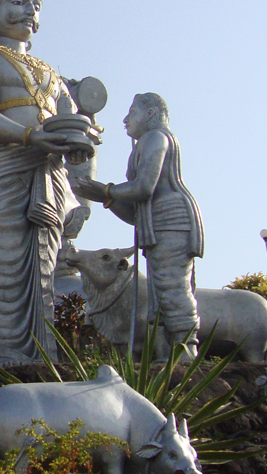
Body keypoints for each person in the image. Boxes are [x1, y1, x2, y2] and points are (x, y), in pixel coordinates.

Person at [0, 0, 81, 364]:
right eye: (19, 1)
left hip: (47, 168)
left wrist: (82, 139)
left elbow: (71, 119)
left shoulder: (50, 72)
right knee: (8, 265)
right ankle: (11, 357)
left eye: (36, 5)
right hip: (4, 163)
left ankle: (44, 358)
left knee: (46, 267)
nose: (30, 11)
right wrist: (30, 137)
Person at [72, 93, 204, 358]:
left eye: (131, 113)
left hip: (171, 218)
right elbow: (136, 214)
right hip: (157, 220)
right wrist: (106, 197)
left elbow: (144, 188)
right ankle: (169, 351)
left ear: (152, 114)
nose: (125, 120)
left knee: (171, 285)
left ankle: (187, 350)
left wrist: (108, 189)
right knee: (160, 290)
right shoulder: (145, 143)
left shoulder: (155, 137)